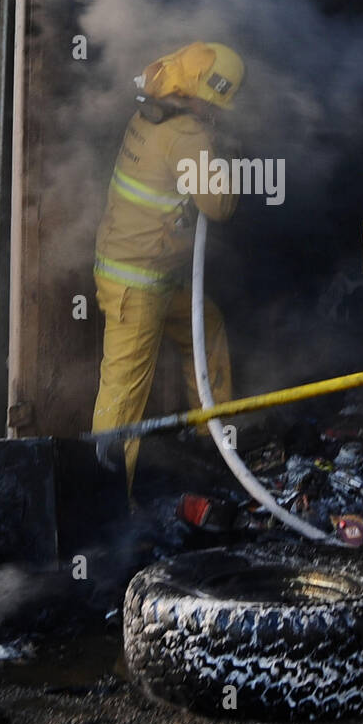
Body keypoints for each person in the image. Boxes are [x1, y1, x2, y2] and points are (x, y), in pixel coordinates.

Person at [91, 42, 244, 486]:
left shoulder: (149, 116)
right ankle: (107, 497)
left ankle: (207, 433)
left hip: (147, 276)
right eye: (215, 102)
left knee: (205, 325)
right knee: (122, 397)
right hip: (136, 285)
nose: (217, 111)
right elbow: (219, 206)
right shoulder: (187, 135)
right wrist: (223, 161)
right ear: (198, 91)